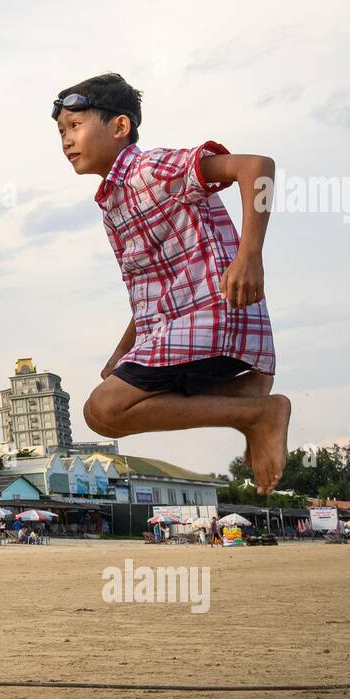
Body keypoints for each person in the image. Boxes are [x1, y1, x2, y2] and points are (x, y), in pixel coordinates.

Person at [57, 74, 291, 494]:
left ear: (120, 127)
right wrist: (125, 348)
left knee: (103, 409)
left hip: (213, 313)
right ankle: (247, 399)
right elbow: (151, 286)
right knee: (108, 411)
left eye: (75, 126)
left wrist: (249, 255)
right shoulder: (112, 204)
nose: (66, 140)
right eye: (61, 132)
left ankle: (256, 413)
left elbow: (257, 168)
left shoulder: (152, 168)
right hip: (174, 326)